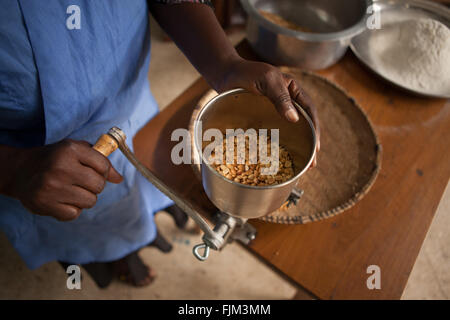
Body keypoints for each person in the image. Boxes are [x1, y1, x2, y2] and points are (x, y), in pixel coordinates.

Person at [0, 0, 319, 288]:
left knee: (149, 176)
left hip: (125, 88)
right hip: (30, 147)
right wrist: (13, 169)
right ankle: (108, 253)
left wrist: (225, 63)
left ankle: (150, 217)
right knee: (86, 214)